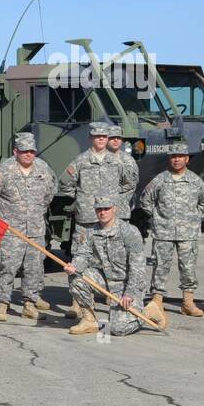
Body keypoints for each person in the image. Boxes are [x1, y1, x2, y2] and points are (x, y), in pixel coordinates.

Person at [58, 122, 133, 316]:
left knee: (112, 257)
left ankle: (113, 295)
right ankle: (77, 301)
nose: (101, 139)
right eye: (97, 136)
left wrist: (115, 201)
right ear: (91, 138)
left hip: (109, 220)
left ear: (108, 139)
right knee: (80, 257)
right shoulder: (81, 161)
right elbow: (65, 183)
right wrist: (81, 200)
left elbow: (129, 183)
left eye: (104, 136)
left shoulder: (118, 162)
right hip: (87, 218)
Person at [0, 132, 56, 322]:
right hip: (11, 230)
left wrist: (38, 209)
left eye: (32, 151)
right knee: (7, 267)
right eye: (24, 151)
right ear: (16, 151)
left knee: (34, 268)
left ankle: (29, 304)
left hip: (36, 229)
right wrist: (0, 218)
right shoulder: (4, 170)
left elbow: (50, 192)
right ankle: (2, 304)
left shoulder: (43, 168)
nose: (28, 155)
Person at [65, 197, 163, 336]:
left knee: (118, 329)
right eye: (99, 209)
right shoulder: (91, 231)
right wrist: (74, 267)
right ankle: (89, 320)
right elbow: (83, 254)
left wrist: (129, 294)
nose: (102, 212)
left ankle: (149, 311)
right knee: (76, 278)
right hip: (106, 280)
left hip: (128, 284)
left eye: (106, 209)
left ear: (114, 209)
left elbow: (137, 267)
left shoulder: (129, 232)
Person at [139, 147, 204, 325]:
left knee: (188, 267)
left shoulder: (195, 181)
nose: (177, 160)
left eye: (180, 157)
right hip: (163, 232)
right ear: (169, 159)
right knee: (160, 266)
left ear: (187, 159)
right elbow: (145, 200)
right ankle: (157, 300)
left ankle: (188, 302)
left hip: (188, 233)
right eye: (174, 157)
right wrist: (157, 217)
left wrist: (194, 217)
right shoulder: (160, 180)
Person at [106, 124, 139, 220]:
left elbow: (132, 184)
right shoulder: (97, 158)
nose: (116, 140)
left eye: (118, 138)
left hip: (120, 211)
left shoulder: (128, 160)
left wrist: (109, 191)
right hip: (99, 213)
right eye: (112, 138)